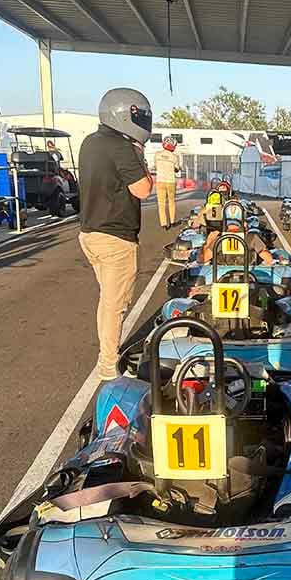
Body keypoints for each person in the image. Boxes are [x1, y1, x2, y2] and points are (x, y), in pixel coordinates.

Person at [78, 88, 153, 381]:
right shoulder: (120, 146)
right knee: (115, 305)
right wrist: (140, 156)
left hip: (90, 234)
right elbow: (143, 189)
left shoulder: (90, 142)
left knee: (107, 301)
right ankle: (108, 365)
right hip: (115, 237)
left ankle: (107, 354)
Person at [154, 135, 180, 229]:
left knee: (161, 204)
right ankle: (172, 222)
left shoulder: (157, 154)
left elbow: (156, 166)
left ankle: (164, 224)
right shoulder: (174, 157)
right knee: (171, 202)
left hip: (160, 180)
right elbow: (177, 169)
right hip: (171, 181)